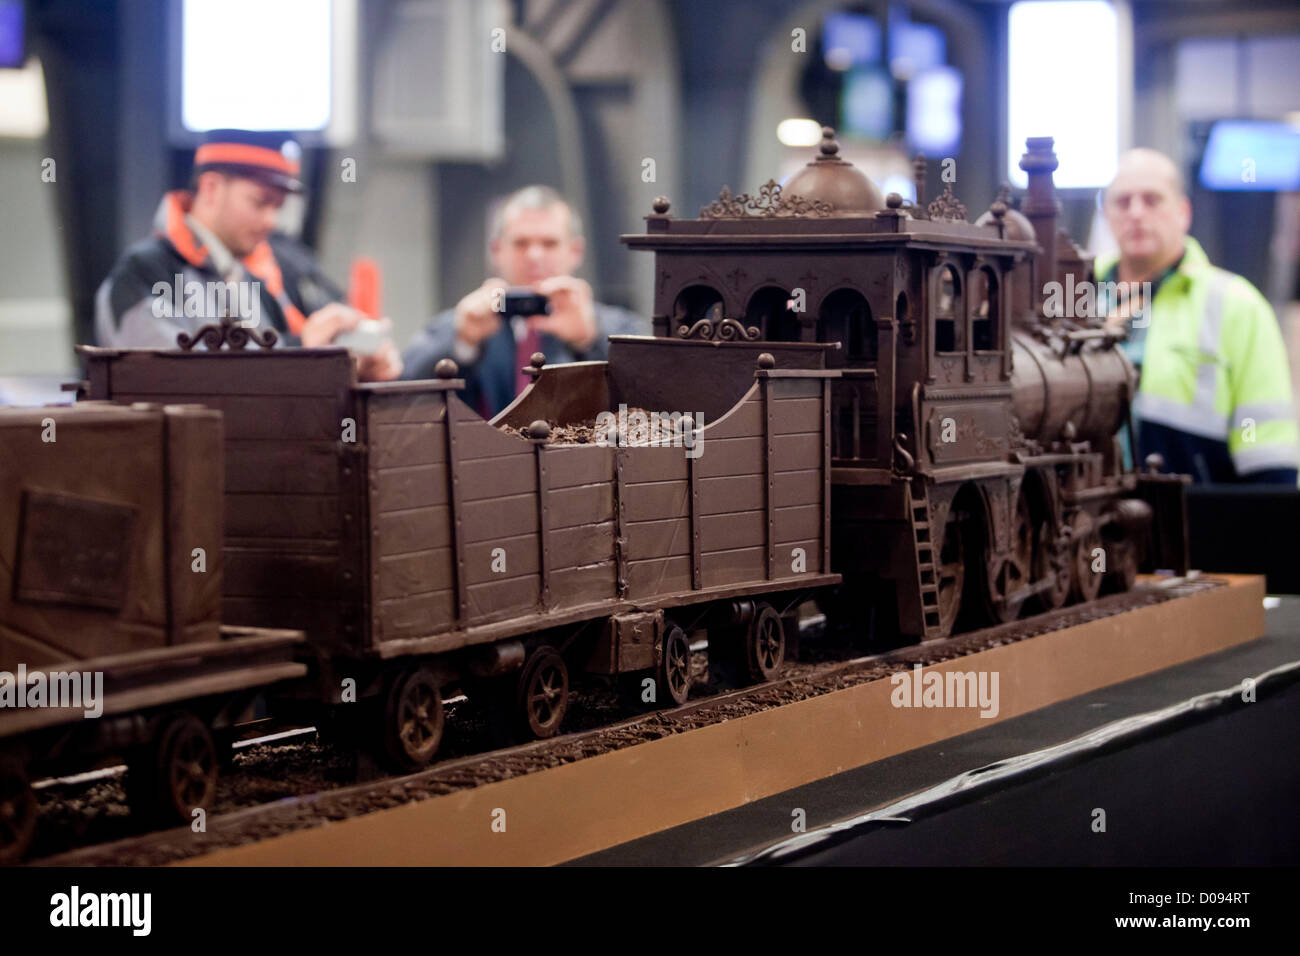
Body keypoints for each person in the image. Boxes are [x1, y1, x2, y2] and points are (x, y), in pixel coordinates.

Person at [95, 129, 401, 381]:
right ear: (212, 188)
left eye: (278, 207)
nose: (272, 221)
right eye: (260, 202)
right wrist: (305, 354)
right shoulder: (142, 274)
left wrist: (352, 367)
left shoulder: (254, 277)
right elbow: (172, 383)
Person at [1097, 148, 1298, 484]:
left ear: (1183, 212)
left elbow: (1268, 450)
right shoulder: (1073, 296)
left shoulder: (1237, 304)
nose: (1135, 213)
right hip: (1083, 521)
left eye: (1151, 200)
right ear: (1106, 213)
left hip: (1197, 523)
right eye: (1122, 201)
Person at [403, 185, 648, 416]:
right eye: (521, 243)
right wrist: (463, 343)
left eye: (549, 243)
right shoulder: (462, 324)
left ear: (576, 251)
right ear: (497, 251)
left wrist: (590, 339)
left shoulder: (620, 329)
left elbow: (653, 394)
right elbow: (401, 391)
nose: (534, 256)